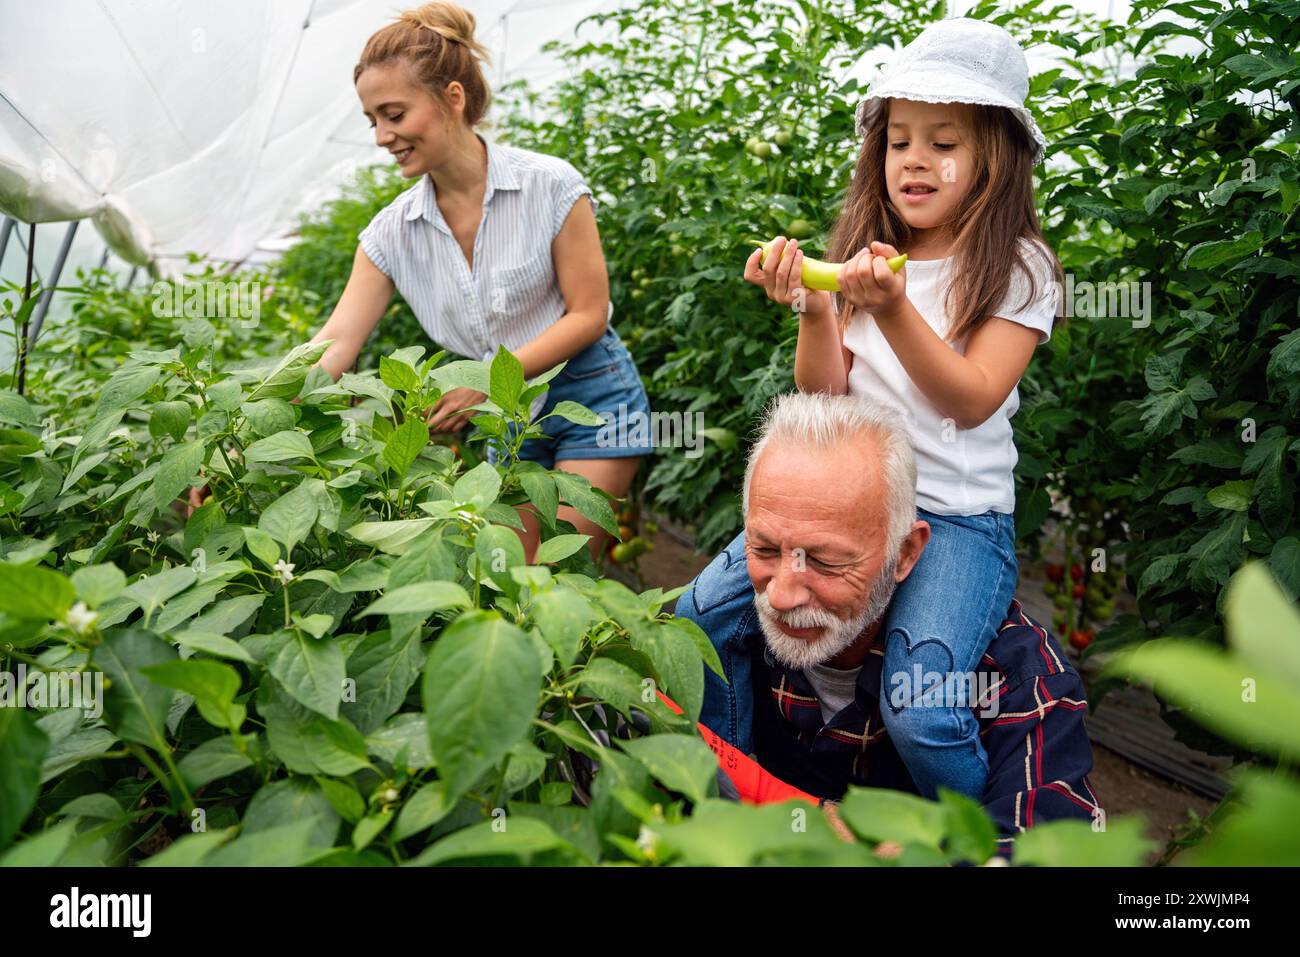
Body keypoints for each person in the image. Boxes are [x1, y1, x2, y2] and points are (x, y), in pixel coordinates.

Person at [734, 18, 1066, 800]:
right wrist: (816, 308)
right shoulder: (869, 253)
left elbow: (973, 398)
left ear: (997, 159)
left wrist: (887, 310)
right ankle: (732, 795)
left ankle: (972, 841)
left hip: (957, 519)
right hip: (855, 506)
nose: (914, 159)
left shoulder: (1019, 266)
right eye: (898, 140)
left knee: (919, 709)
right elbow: (823, 398)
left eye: (943, 143)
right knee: (700, 616)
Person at [192, 1, 652, 564]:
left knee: (560, 571)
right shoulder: (391, 234)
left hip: (591, 393)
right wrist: (241, 436)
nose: (383, 136)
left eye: (394, 114)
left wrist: (487, 379)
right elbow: (335, 342)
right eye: (373, 121)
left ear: (451, 99)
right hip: (501, 416)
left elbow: (588, 312)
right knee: (510, 585)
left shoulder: (550, 186)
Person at [674, 390, 1101, 853]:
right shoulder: (724, 634)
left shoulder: (1014, 679)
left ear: (905, 554)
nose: (781, 595)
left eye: (823, 561)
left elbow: (1055, 848)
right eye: (762, 549)